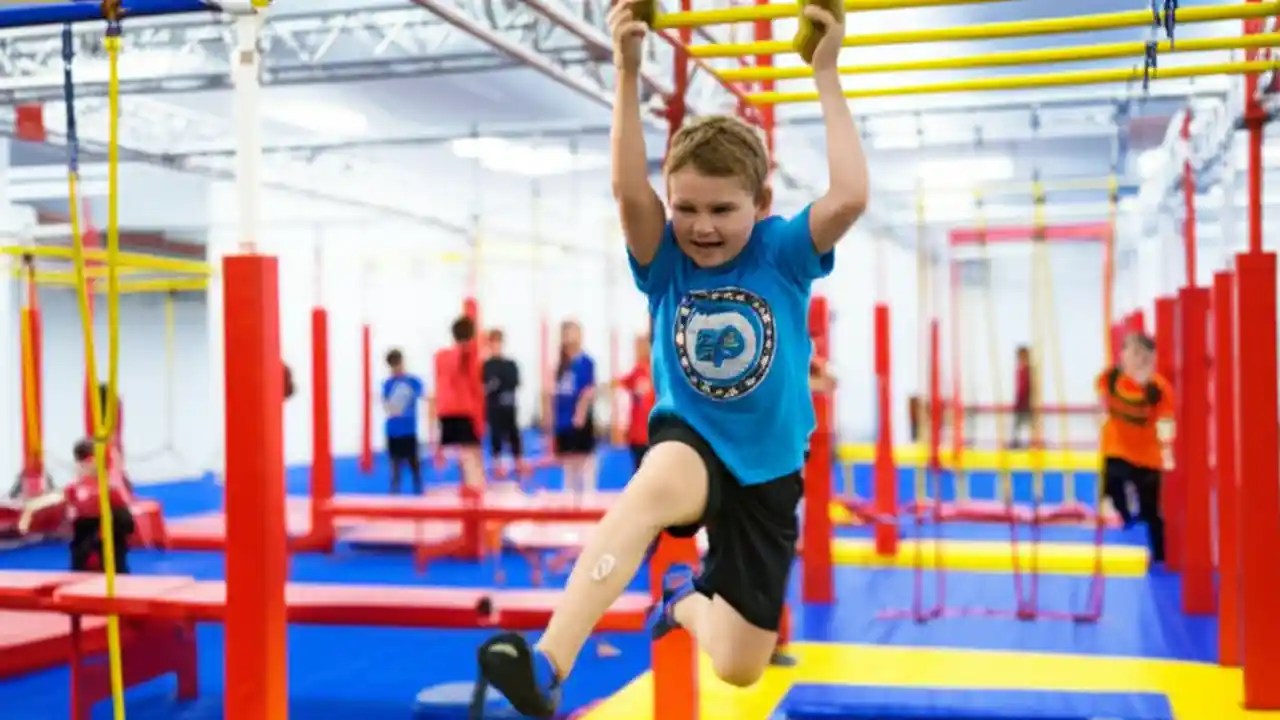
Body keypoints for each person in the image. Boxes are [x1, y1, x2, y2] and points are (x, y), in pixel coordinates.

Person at [473, 1, 867, 714]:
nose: (702, 227)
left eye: (722, 210)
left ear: (761, 202)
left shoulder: (781, 254)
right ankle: (548, 663)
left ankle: (682, 597)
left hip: (770, 471)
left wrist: (826, 73)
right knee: (653, 487)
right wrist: (626, 71)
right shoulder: (665, 260)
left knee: (741, 666)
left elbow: (849, 196)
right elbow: (629, 191)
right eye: (686, 208)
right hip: (691, 437)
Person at [1096, 332, 1173, 564]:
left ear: (1152, 360)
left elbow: (1166, 420)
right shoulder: (1111, 379)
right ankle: (1125, 513)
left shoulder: (1157, 389)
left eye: (1144, 356)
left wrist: (1168, 451)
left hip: (1148, 454)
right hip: (1117, 447)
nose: (1138, 361)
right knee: (1113, 482)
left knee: (1152, 511)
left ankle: (1160, 555)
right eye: (1133, 354)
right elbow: (1101, 399)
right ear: (1123, 356)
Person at [65, 439, 135, 573]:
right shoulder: (75, 487)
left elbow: (126, 518)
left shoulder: (111, 483)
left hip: (111, 528)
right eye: (82, 464)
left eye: (89, 462)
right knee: (81, 542)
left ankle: (115, 569)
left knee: (116, 527)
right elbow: (74, 512)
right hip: (88, 528)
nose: (84, 466)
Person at [434, 316, 485, 489]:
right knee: (471, 458)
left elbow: (440, 383)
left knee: (462, 459)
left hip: (445, 412)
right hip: (464, 411)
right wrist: (480, 421)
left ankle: (467, 492)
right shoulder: (471, 357)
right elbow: (475, 388)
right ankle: (475, 500)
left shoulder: (440, 356)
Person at [551, 320, 597, 496]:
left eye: (573, 332)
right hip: (564, 422)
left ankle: (588, 500)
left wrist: (581, 413)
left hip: (580, 421)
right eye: (566, 333)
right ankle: (570, 501)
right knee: (569, 466)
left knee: (585, 463)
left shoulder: (586, 362)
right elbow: (555, 395)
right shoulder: (561, 365)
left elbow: (588, 391)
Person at [383, 349, 427, 495]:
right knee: (395, 469)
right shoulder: (388, 384)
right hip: (394, 431)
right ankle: (394, 498)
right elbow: (388, 406)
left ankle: (419, 495)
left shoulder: (413, 381)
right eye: (393, 365)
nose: (397, 368)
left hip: (409, 431)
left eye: (398, 364)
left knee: (415, 467)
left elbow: (426, 395)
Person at [483, 329, 524, 475]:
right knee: (496, 434)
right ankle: (497, 464)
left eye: (498, 342)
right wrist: (492, 386)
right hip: (493, 407)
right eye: (493, 342)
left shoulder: (510, 364)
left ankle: (519, 463)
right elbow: (485, 386)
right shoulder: (486, 366)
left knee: (514, 434)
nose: (496, 345)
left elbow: (515, 382)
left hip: (509, 406)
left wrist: (497, 384)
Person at [614, 332, 654, 471]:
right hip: (636, 434)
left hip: (651, 432)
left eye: (641, 345)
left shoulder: (656, 371)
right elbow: (619, 385)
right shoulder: (636, 371)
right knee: (638, 468)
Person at [1010, 345, 1034, 448]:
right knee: (1017, 423)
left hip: (1026, 401)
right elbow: (1019, 387)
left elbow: (1028, 386)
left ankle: (1032, 442)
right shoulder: (1020, 369)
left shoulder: (1028, 370)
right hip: (1020, 401)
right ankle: (1016, 442)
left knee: (1029, 423)